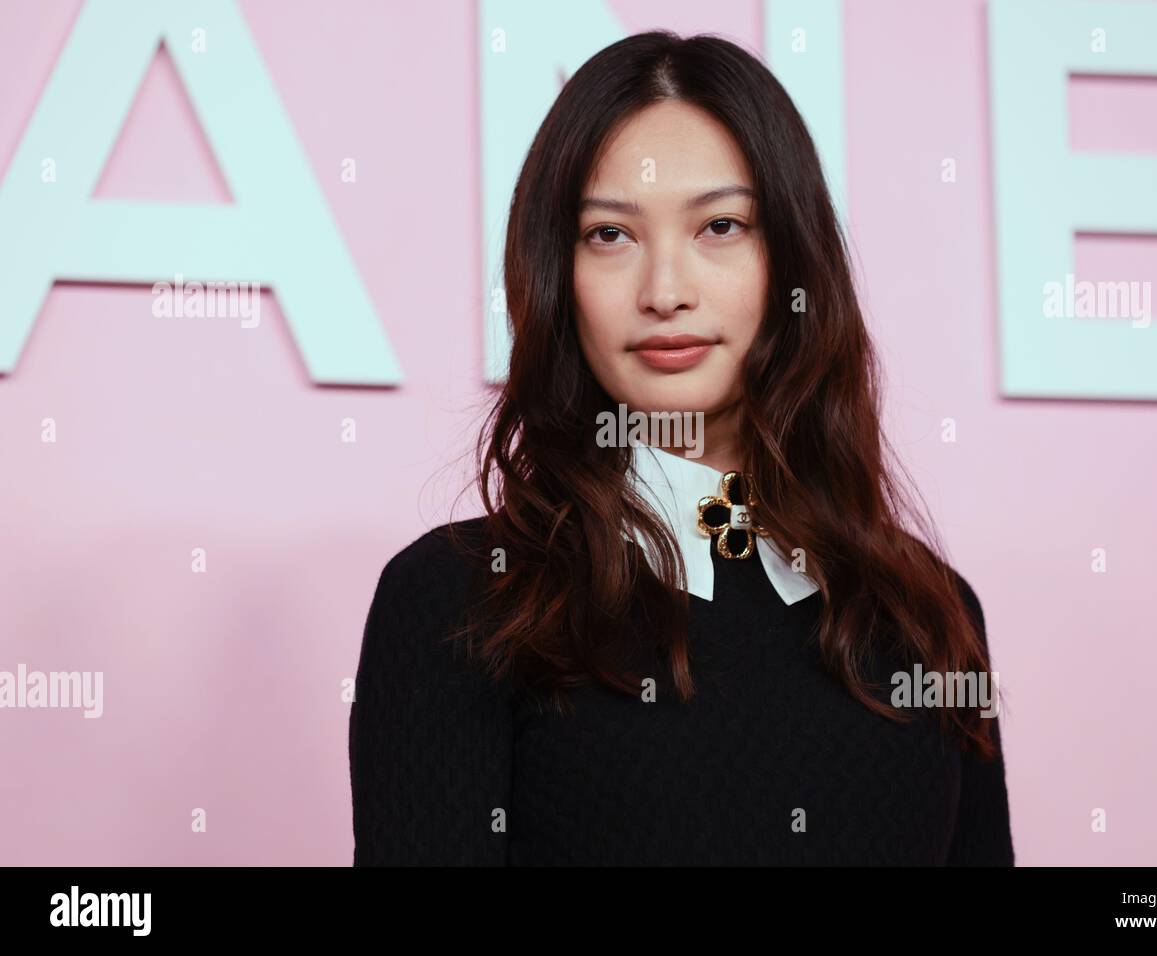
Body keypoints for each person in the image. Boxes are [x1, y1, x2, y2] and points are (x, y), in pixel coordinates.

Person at [349, 30, 1014, 866]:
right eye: (610, 236)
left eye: (721, 226)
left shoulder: (926, 612)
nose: (666, 291)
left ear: (793, 262)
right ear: (557, 274)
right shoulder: (457, 603)